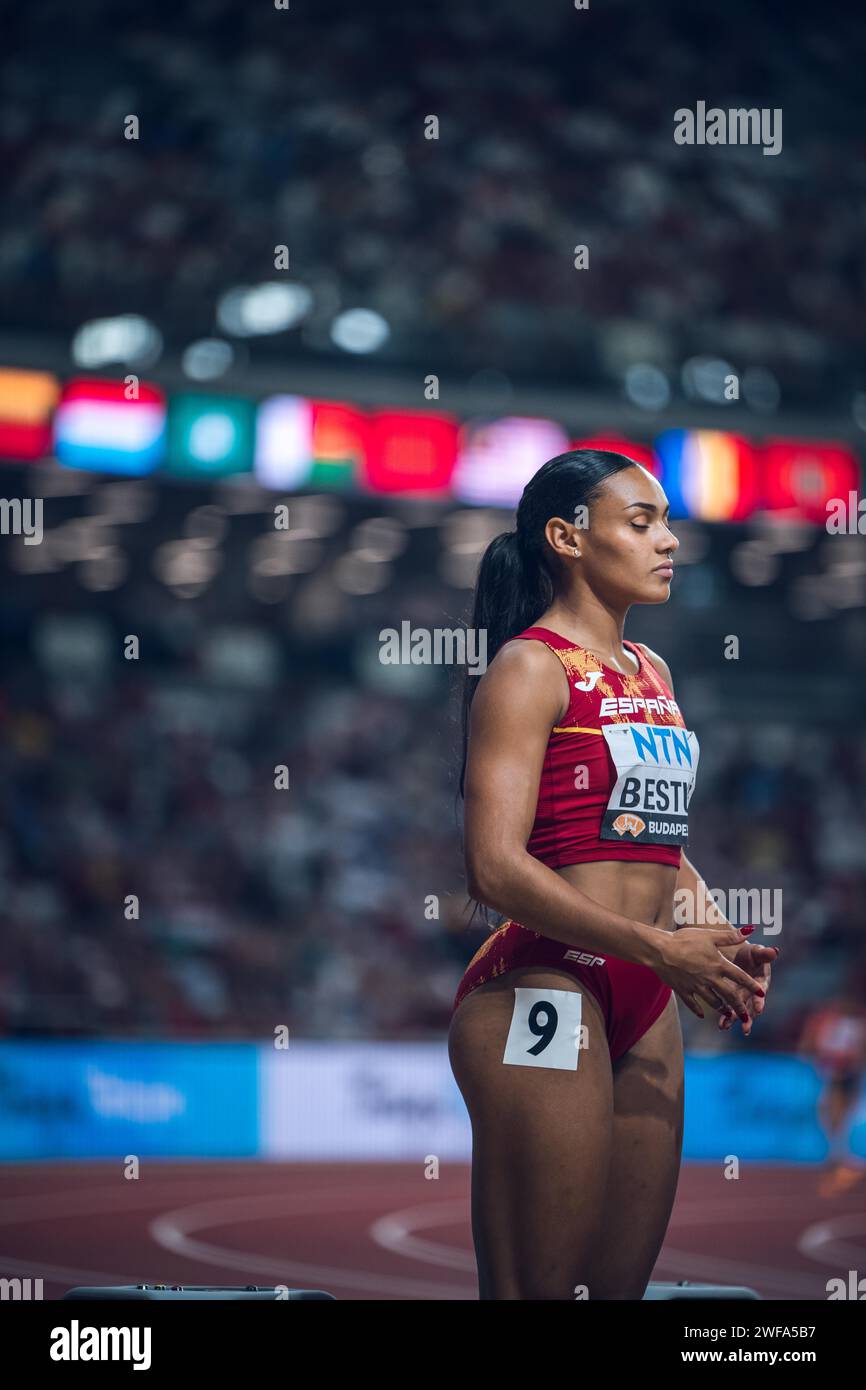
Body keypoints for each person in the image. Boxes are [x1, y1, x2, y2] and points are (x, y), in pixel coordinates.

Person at [447, 449, 778, 1301]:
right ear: (567, 537)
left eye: (666, 521)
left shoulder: (653, 674)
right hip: (543, 987)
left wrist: (715, 937)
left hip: (646, 996)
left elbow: (654, 840)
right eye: (641, 523)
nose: (668, 541)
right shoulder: (529, 667)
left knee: (616, 1295)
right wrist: (658, 948)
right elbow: (491, 867)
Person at [799, 993, 866, 1197]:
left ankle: (839, 1154)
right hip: (838, 1071)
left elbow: (853, 1050)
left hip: (843, 1072)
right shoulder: (836, 1023)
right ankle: (839, 1153)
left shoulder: (850, 1025)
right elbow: (818, 1047)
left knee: (839, 1110)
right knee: (833, 1110)